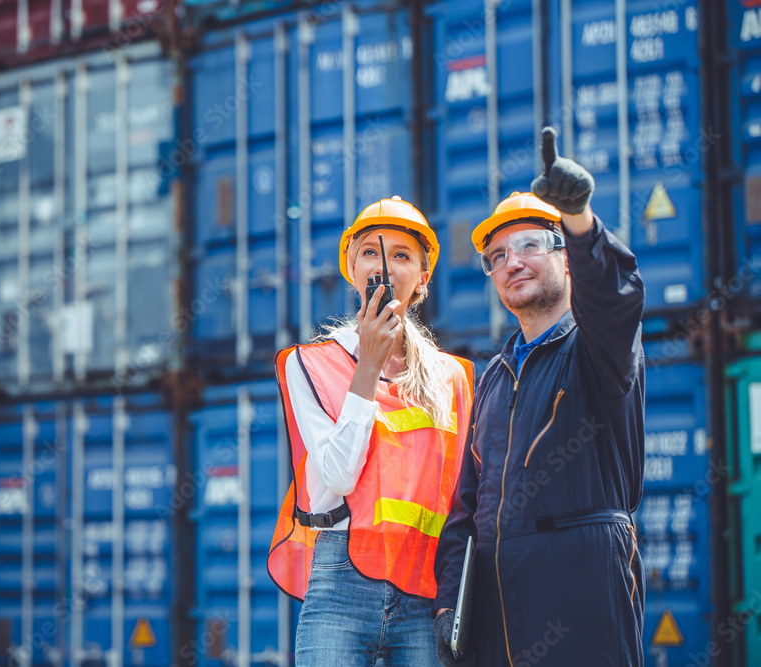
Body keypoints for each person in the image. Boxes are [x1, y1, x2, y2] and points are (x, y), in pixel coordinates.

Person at [432, 127, 646, 666]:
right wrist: (448, 608)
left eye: (530, 244)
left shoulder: (598, 347)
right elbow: (467, 506)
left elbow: (614, 299)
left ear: (567, 259)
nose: (512, 262)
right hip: (497, 615)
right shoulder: (495, 378)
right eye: (497, 255)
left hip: (582, 596)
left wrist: (579, 221)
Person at [267, 196, 475, 666]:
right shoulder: (310, 363)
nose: (385, 265)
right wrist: (370, 364)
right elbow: (339, 477)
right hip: (341, 579)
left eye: (402, 255)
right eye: (370, 253)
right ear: (352, 269)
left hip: (426, 586)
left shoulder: (452, 378)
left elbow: (464, 500)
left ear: (423, 277)